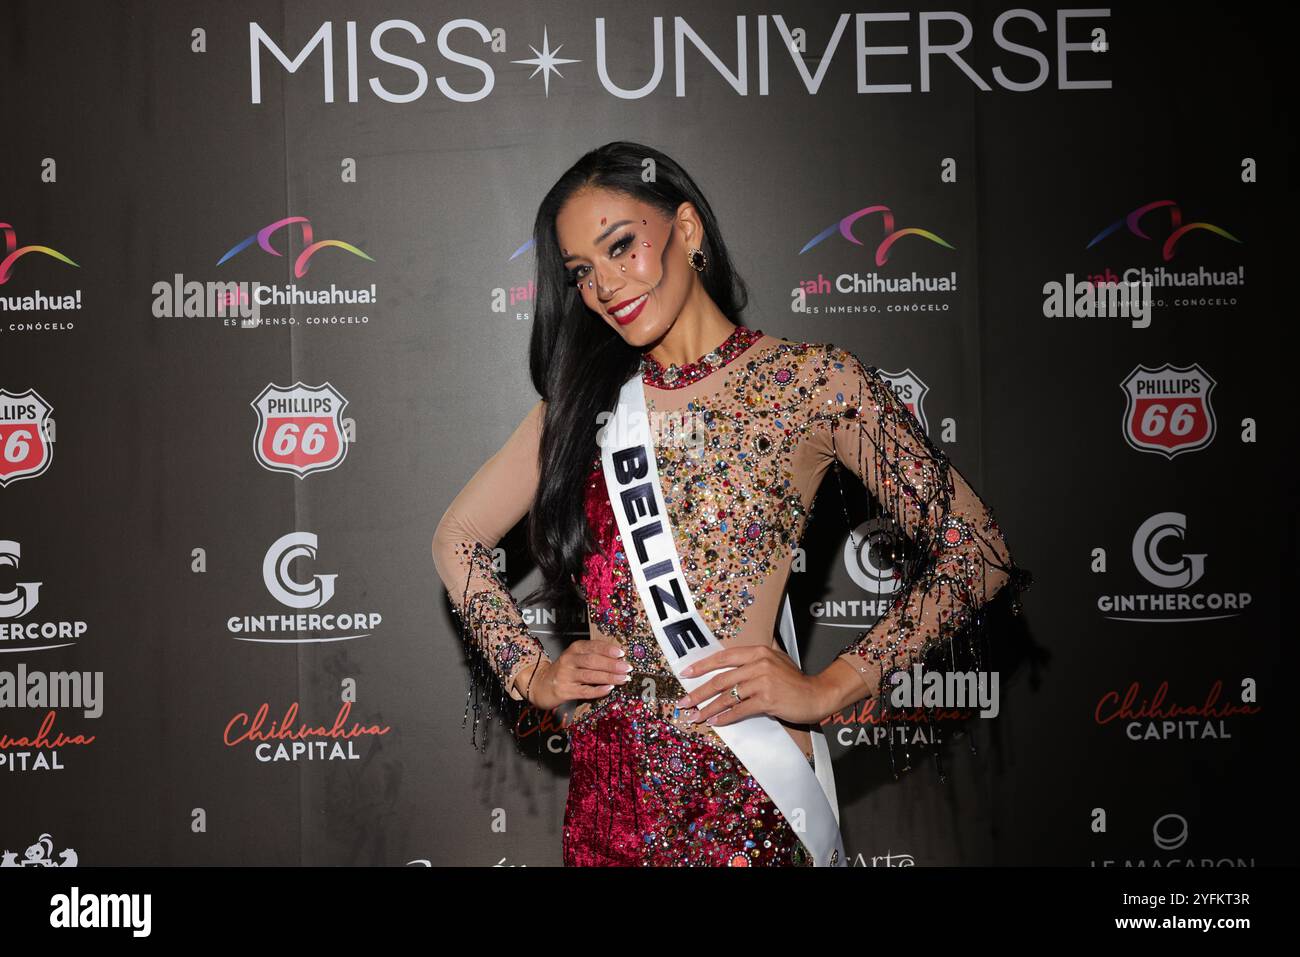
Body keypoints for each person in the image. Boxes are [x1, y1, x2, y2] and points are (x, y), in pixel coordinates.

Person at [432, 141, 1032, 867]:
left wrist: (834, 685)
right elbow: (458, 537)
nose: (607, 285)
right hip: (609, 795)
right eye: (582, 272)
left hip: (747, 789)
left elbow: (981, 549)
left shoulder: (813, 383)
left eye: (622, 246)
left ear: (686, 229)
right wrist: (535, 674)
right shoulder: (580, 406)